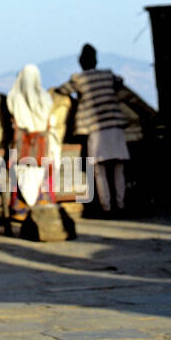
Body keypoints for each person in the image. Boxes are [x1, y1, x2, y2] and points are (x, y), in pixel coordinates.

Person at [56, 45, 129, 214]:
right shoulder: (107, 75)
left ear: (81, 62)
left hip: (95, 128)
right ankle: (121, 204)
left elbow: (62, 90)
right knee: (119, 167)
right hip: (115, 124)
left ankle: (107, 207)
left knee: (99, 170)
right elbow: (120, 82)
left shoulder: (79, 78)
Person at [5, 64, 61, 218]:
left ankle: (21, 211)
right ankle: (44, 209)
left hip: (22, 148)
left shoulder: (14, 97)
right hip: (43, 148)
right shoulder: (45, 98)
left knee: (19, 175)